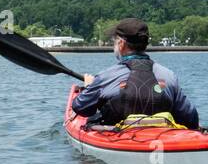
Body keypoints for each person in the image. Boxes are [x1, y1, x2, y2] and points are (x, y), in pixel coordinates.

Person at [71, 18, 199, 128]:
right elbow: (191, 118)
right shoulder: (169, 76)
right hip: (163, 137)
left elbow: (80, 107)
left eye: (114, 42)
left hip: (119, 139)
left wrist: (89, 87)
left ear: (121, 44)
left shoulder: (106, 77)